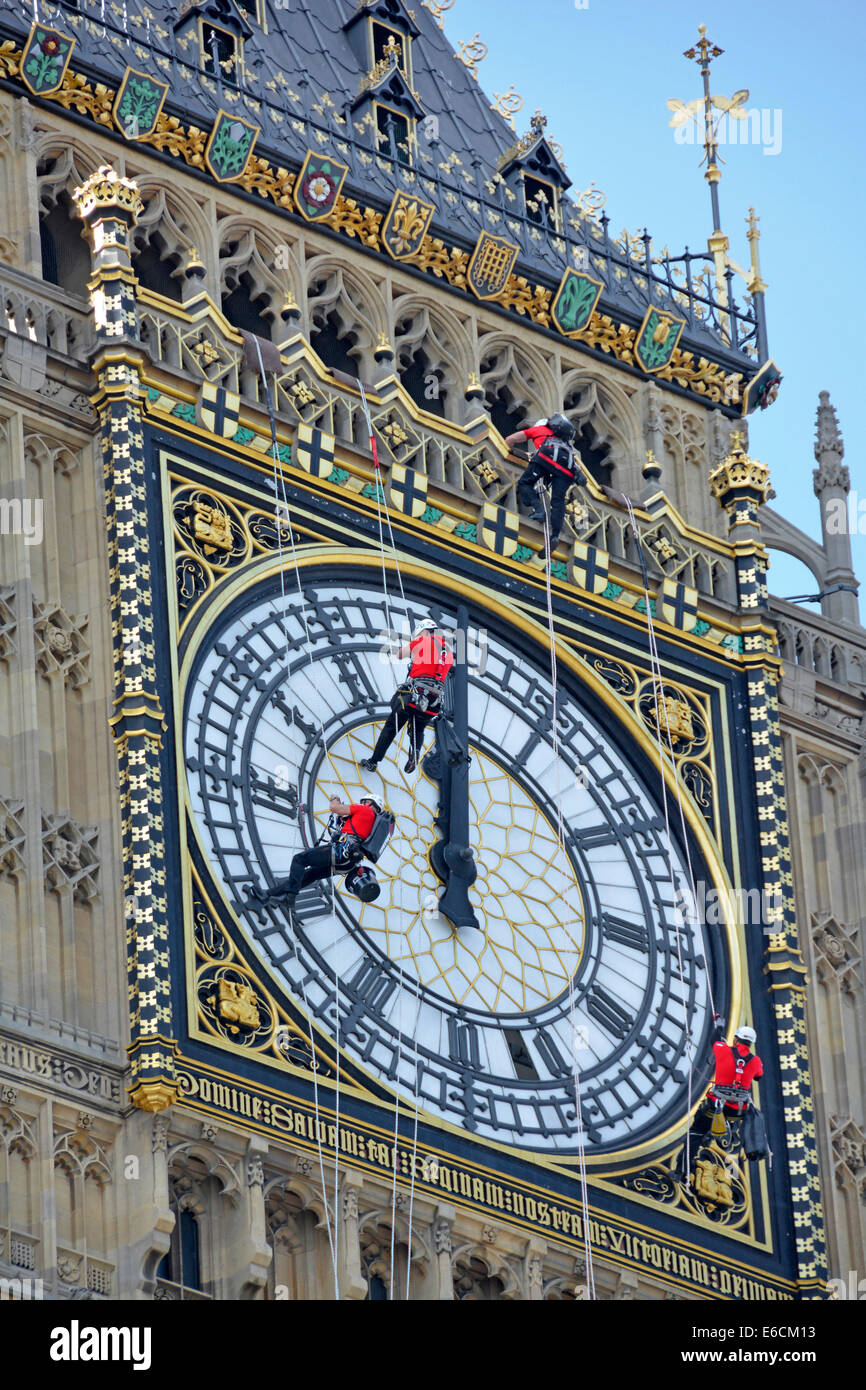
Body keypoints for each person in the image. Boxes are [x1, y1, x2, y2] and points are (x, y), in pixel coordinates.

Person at [251, 793, 384, 907]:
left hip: (341, 850)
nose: (361, 803)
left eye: (363, 801)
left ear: (368, 802)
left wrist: (334, 798)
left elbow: (335, 808)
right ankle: (268, 895)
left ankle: (289, 897)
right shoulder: (372, 823)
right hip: (348, 863)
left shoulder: (364, 810)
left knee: (299, 860)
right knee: (310, 874)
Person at [361, 618, 454, 774]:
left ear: (425, 632)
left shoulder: (423, 642)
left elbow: (399, 655)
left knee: (391, 727)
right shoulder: (448, 653)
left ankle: (373, 761)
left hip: (414, 696)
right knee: (418, 729)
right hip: (433, 702)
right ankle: (415, 753)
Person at [675, 1020, 763, 1177]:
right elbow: (758, 1077)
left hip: (716, 1105)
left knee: (696, 1131)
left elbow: (714, 1040)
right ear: (751, 1044)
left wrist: (720, 1027)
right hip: (737, 1110)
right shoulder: (756, 1061)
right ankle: (711, 1134)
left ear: (736, 1039)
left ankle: (682, 1170)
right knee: (727, 1120)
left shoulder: (722, 1050)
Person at [506, 412, 586, 547]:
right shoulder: (565, 444)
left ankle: (539, 511)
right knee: (558, 502)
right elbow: (574, 463)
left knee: (525, 483)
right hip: (566, 470)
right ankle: (555, 536)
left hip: (545, 458)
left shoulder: (538, 429)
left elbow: (510, 439)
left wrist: (509, 451)